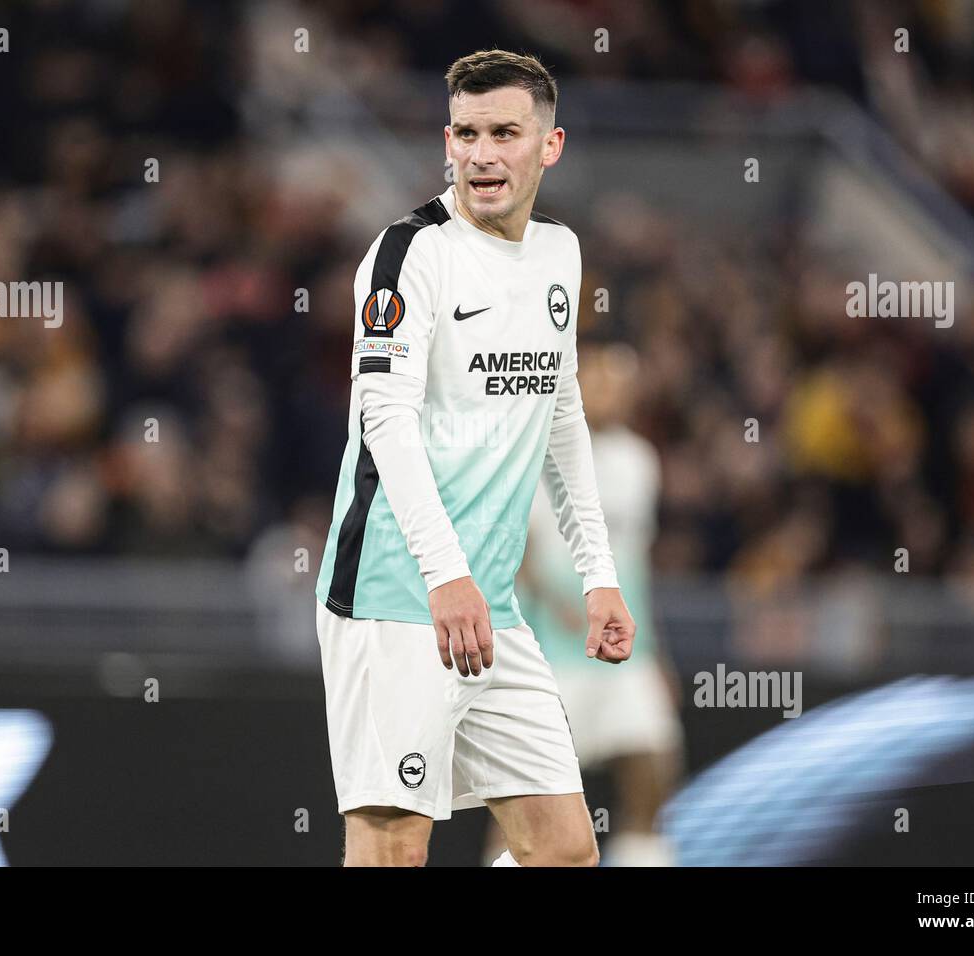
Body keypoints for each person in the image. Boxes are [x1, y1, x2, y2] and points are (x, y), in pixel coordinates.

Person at [313, 49, 634, 866]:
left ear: (549, 146)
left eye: (504, 132)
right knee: (392, 850)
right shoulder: (409, 254)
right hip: (396, 594)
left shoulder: (560, 255)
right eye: (466, 133)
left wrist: (599, 572)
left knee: (565, 850)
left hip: (491, 604)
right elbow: (383, 418)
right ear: (445, 142)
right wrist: (444, 573)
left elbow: (562, 412)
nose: (482, 154)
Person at [486, 342, 686, 866]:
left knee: (653, 773)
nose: (610, 387)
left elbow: (635, 565)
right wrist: (562, 610)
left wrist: (657, 653)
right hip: (553, 658)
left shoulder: (641, 461)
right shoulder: (534, 450)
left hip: (626, 657)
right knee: (526, 802)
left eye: (623, 378)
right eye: (600, 375)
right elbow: (518, 557)